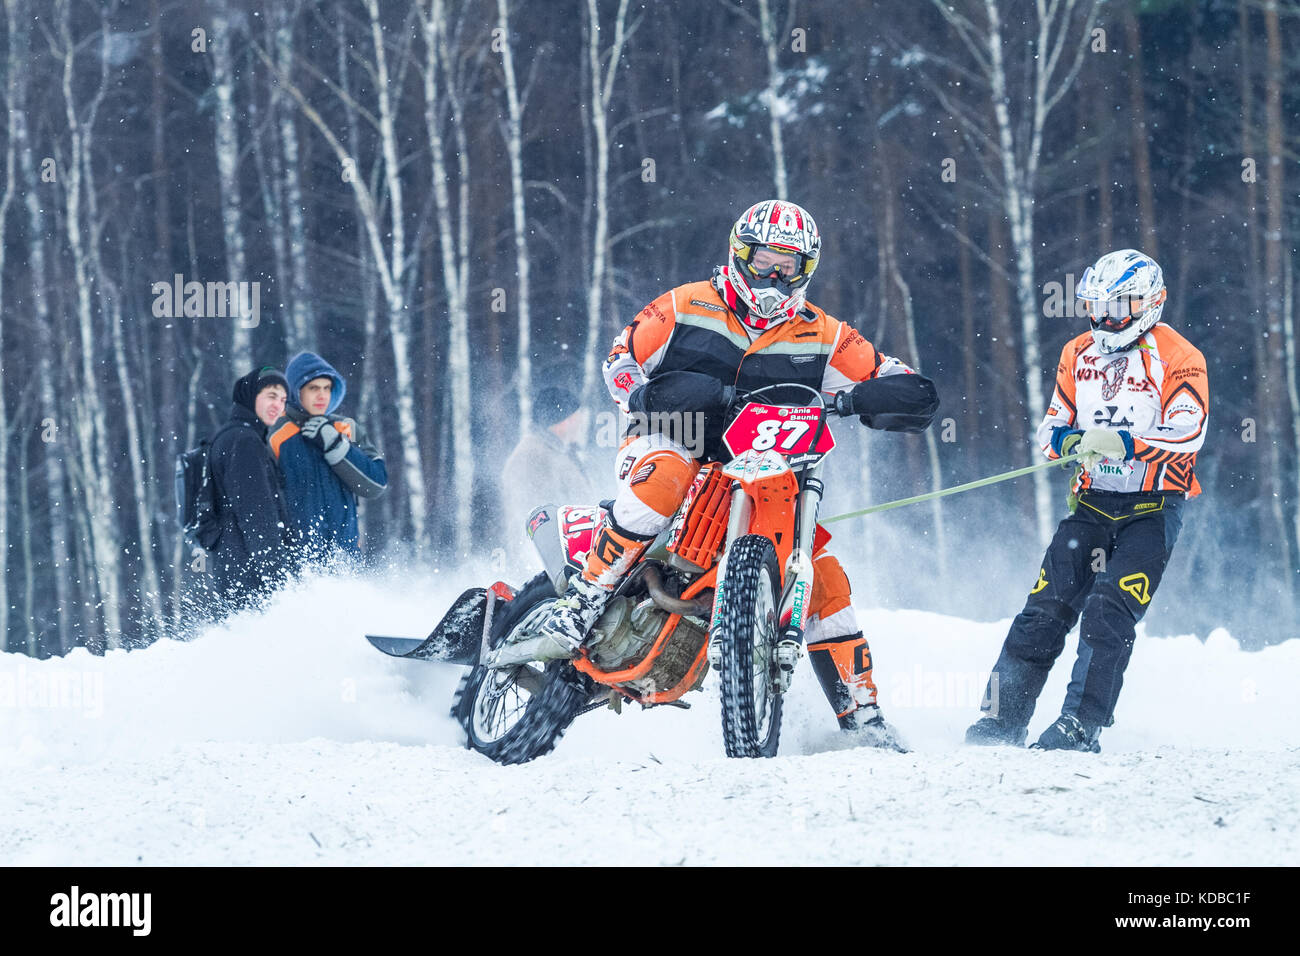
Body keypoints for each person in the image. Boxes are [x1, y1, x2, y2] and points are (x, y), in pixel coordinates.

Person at [534, 199, 940, 746]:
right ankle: (582, 601)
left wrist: (872, 398)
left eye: (788, 266)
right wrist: (662, 397)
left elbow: (901, 380)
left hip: (769, 471)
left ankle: (864, 722)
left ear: (805, 271)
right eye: (766, 261)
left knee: (823, 577)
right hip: (675, 445)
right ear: (740, 254)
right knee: (667, 477)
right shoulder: (683, 304)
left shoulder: (824, 333)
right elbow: (620, 363)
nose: (774, 276)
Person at [966, 249, 1209, 752]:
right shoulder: (1078, 352)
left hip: (1153, 508)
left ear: (1151, 302)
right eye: (1099, 305)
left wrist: (1124, 443)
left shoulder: (1181, 356)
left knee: (1107, 611)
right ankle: (997, 722)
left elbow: (1189, 430)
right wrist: (1067, 443)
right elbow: (1052, 424)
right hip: (1093, 504)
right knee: (1042, 611)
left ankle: (1080, 725)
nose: (1108, 317)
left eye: (1121, 305)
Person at [269, 351, 388, 559]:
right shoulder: (274, 435)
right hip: (296, 561)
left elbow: (376, 484)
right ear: (296, 391)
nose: (322, 395)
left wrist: (335, 444)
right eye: (313, 388)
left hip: (346, 557)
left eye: (327, 388)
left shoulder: (346, 428)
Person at [207, 366, 293, 607]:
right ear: (250, 395)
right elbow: (257, 516)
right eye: (271, 396)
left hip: (235, 568)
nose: (278, 405)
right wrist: (278, 579)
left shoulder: (232, 436)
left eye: (283, 399)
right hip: (252, 576)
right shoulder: (244, 442)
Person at [500, 382, 601, 550]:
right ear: (562, 420)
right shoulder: (532, 457)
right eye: (577, 415)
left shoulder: (558, 452)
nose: (581, 421)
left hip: (572, 555)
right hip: (551, 563)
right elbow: (539, 520)